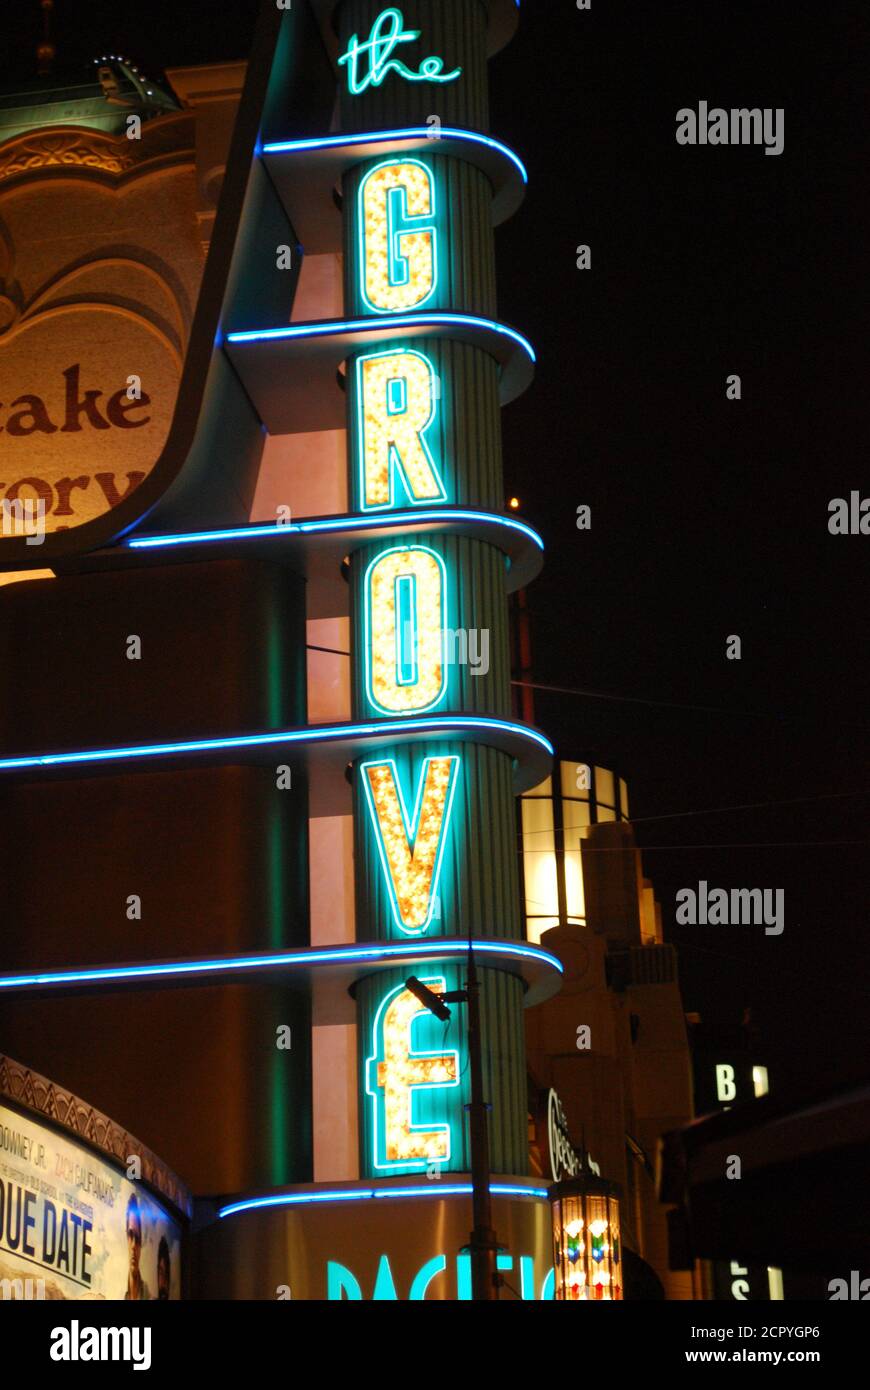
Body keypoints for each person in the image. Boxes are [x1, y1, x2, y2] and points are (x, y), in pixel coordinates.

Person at [124, 1193, 151, 1300]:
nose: (134, 1245)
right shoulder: (122, 1295)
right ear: (126, 1237)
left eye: (138, 1238)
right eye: (130, 1235)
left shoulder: (149, 1296)